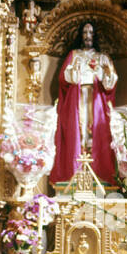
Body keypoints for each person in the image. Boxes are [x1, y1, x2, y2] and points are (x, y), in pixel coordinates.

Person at [51, 23, 117, 184]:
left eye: (91, 32)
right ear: (80, 35)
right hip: (77, 98)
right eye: (85, 32)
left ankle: (97, 173)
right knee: (78, 131)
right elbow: (64, 79)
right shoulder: (74, 55)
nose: (88, 35)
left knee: (96, 132)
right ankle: (76, 172)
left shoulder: (102, 57)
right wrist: (74, 70)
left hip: (96, 100)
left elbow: (110, 84)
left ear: (95, 36)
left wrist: (107, 72)